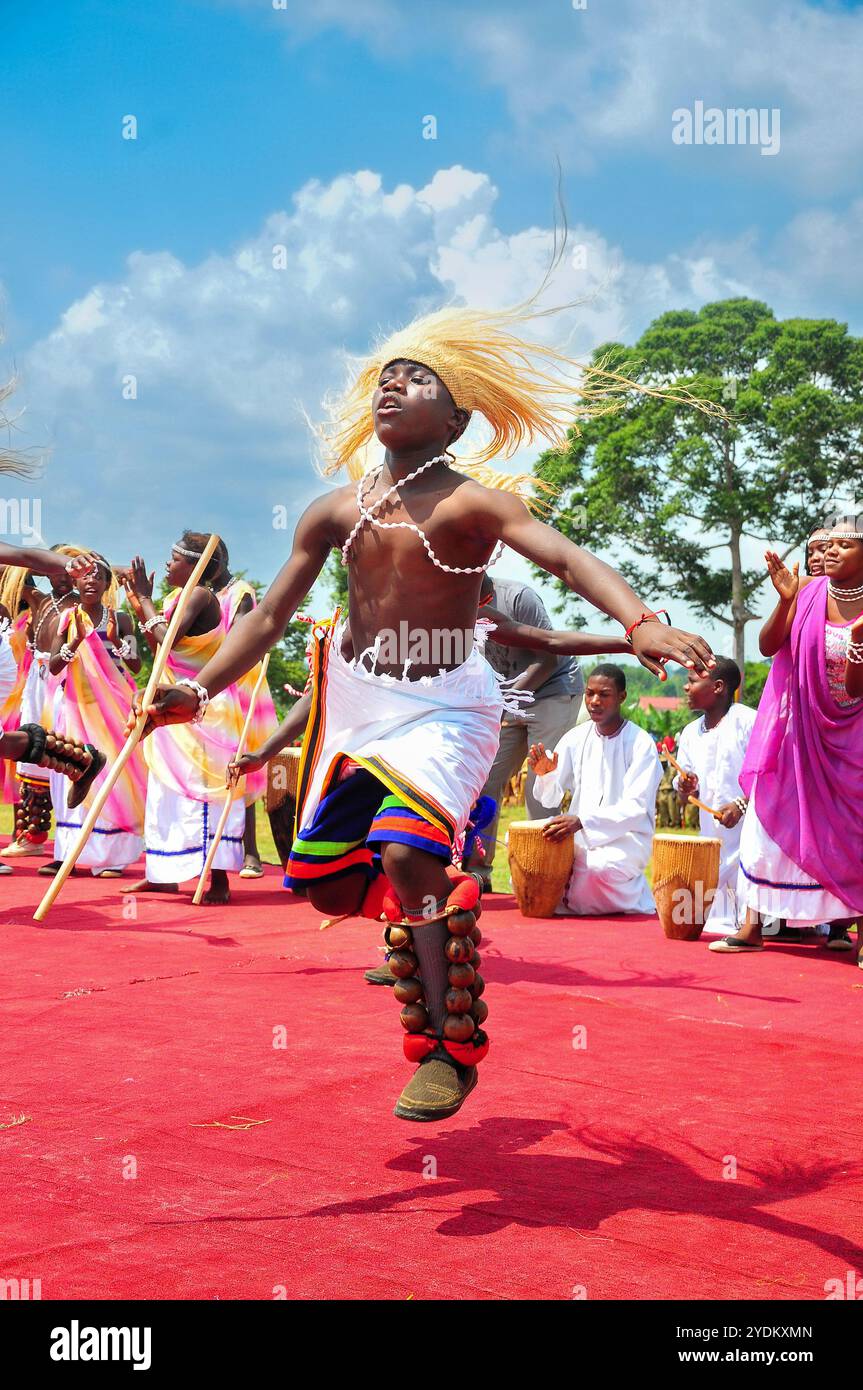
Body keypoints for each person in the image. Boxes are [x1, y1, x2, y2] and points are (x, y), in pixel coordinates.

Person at [132, 299, 716, 1121]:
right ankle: (429, 900)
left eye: (416, 381)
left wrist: (640, 622)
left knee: (407, 859)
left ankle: (450, 1043)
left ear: (456, 420)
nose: (392, 388)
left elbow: (568, 556)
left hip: (447, 707)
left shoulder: (476, 505)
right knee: (330, 892)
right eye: (386, 378)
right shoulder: (335, 509)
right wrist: (195, 693)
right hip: (358, 701)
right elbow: (264, 619)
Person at [710, 513, 863, 955]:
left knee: (853, 832)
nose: (829, 550)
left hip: (853, 738)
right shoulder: (810, 592)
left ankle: (850, 927)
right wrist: (784, 600)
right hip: (798, 732)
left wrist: (857, 650)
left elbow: (856, 688)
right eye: (827, 544)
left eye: (843, 544)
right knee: (765, 820)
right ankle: (751, 925)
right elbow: (767, 645)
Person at [124, 534, 247, 906]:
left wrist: (144, 599)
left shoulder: (200, 597)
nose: (168, 564)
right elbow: (160, 651)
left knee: (205, 793)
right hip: (172, 706)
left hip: (202, 707)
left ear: (195, 568)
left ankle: (219, 877)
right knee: (167, 791)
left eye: (175, 559)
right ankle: (163, 873)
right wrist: (143, 604)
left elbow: (169, 638)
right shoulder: (175, 599)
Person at [527, 664, 662, 915]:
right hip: (578, 838)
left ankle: (631, 899)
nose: (595, 701)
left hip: (627, 840)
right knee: (530, 859)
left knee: (595, 869)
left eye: (604, 694)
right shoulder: (575, 737)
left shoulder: (641, 743)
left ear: (621, 697)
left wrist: (582, 822)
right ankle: (570, 893)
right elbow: (550, 797)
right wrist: (545, 775)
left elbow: (636, 808)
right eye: (590, 694)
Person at [42, 556, 145, 878]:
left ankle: (110, 858)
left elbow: (137, 665)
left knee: (110, 778)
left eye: (97, 577)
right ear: (76, 582)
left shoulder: (122, 619)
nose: (90, 582)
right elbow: (54, 666)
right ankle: (68, 853)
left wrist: (116, 642)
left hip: (112, 711)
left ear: (105, 585)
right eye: (84, 576)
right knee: (70, 772)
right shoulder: (66, 619)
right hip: (75, 708)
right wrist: (73, 643)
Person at [674, 659, 757, 937]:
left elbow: (769, 773)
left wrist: (741, 805)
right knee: (708, 914)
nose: (686, 687)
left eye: (693, 680)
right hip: (711, 838)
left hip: (750, 835)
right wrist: (686, 785)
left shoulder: (748, 721)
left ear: (718, 687)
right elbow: (686, 786)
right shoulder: (689, 732)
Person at [213, 543, 278, 879]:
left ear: (221, 561)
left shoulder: (240, 592)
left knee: (244, 765)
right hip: (211, 687)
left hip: (241, 686)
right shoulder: (197, 592)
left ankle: (251, 851)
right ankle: (217, 850)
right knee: (218, 769)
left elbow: (240, 638)